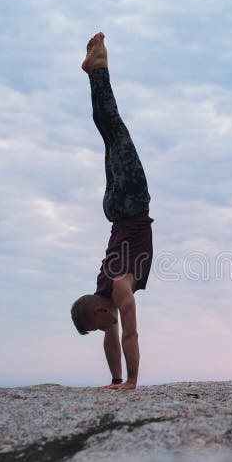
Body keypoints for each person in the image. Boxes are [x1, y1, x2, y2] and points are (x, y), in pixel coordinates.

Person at [70, 32, 153, 391]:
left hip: (131, 202)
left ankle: (98, 68)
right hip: (117, 210)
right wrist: (115, 380)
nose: (106, 329)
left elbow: (128, 332)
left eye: (100, 324)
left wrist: (131, 382)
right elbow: (113, 332)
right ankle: (95, 70)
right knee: (109, 131)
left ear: (99, 310)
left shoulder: (117, 287)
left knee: (114, 128)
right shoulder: (104, 288)